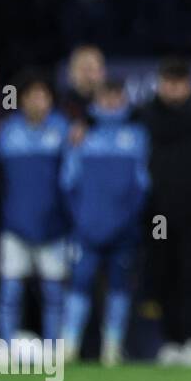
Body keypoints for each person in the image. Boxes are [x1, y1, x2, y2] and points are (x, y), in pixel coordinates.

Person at [60, 80, 150, 364]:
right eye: (106, 95)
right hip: (87, 230)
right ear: (97, 98)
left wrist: (129, 220)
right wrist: (81, 220)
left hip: (124, 230)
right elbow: (68, 183)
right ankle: (69, 346)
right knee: (79, 284)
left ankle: (111, 348)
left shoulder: (137, 136)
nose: (111, 101)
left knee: (119, 287)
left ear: (124, 98)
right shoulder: (81, 135)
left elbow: (143, 186)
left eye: (116, 95)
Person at [139, 58, 191, 364]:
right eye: (168, 83)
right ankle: (170, 340)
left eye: (178, 83)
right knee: (164, 278)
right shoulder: (146, 115)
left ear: (188, 84)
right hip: (158, 215)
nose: (173, 90)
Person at [0, 73, 71, 343]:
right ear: (22, 100)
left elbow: (71, 180)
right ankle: (5, 346)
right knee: (10, 292)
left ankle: (53, 349)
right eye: (32, 96)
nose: (38, 102)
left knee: (54, 293)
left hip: (53, 227)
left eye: (43, 96)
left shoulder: (63, 130)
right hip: (15, 225)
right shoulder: (8, 132)